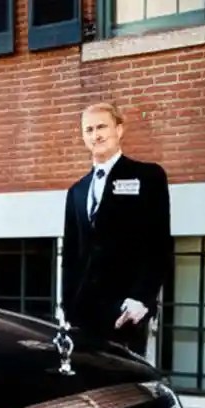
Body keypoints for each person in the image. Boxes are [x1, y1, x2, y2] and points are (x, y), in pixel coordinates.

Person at [59, 102, 173, 357]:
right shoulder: (76, 191)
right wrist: (67, 308)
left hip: (125, 312)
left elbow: (159, 245)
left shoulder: (147, 177)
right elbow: (70, 255)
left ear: (119, 130)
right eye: (88, 129)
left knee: (124, 388)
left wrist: (142, 300)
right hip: (83, 315)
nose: (95, 135)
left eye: (101, 127)